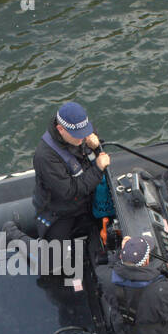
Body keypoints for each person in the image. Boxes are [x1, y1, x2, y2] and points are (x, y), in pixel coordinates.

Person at [31, 101, 110, 243]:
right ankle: (12, 232)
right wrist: (98, 169)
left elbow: (92, 151)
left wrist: (98, 146)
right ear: (60, 129)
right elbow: (69, 191)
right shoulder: (45, 156)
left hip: (87, 200)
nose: (82, 138)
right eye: (77, 135)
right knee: (54, 256)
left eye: (85, 132)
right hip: (60, 211)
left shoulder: (82, 129)